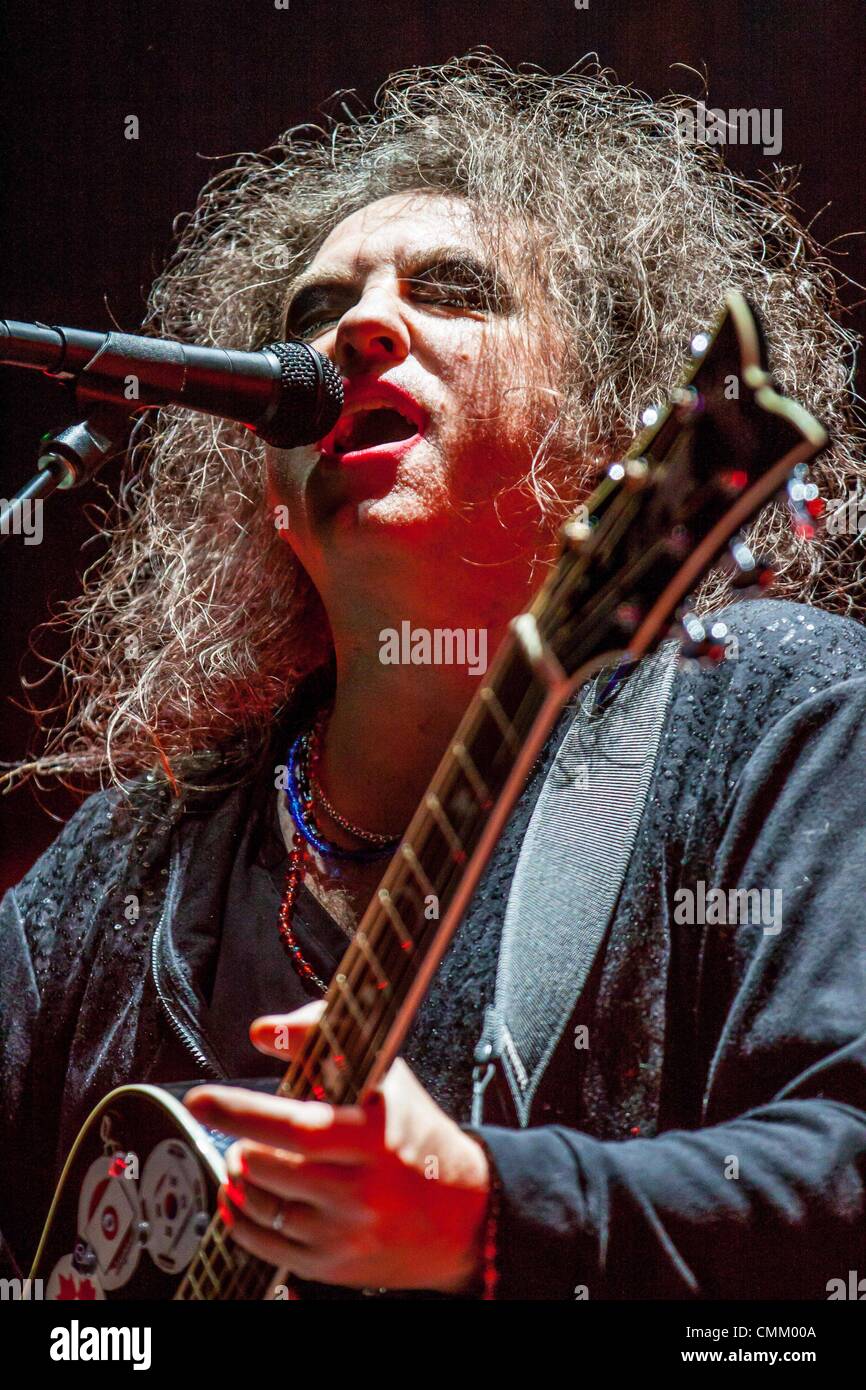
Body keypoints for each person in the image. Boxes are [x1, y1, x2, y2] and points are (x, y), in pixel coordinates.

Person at [2, 52, 866, 1299]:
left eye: (453, 290)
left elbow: (840, 1170)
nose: (354, 329)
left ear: (603, 420)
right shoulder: (125, 866)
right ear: (271, 503)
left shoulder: (780, 716)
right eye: (309, 315)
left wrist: (487, 1210)